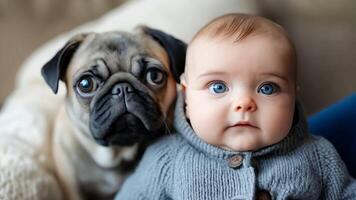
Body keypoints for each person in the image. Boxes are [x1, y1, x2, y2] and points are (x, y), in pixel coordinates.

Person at [115, 13, 356, 200]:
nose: (244, 103)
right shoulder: (166, 159)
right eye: (218, 87)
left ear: (293, 98)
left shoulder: (319, 156)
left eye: (267, 88)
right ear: (187, 98)